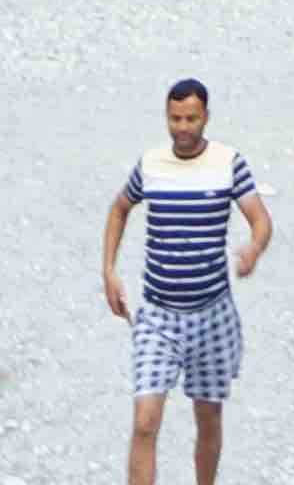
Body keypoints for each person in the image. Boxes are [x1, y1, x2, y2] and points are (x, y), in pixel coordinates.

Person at [103, 73, 271, 477]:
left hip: (213, 316)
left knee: (208, 417)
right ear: (167, 117)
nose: (182, 128)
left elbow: (261, 220)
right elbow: (120, 207)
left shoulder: (228, 163)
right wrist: (108, 271)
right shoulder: (150, 165)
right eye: (175, 119)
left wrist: (254, 248)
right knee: (145, 421)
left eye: (191, 119)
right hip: (158, 315)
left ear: (206, 118)